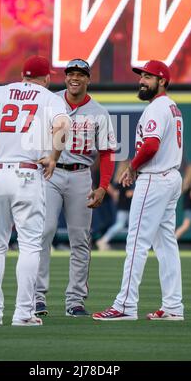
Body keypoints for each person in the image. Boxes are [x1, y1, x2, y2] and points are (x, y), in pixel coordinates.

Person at [0, 55, 70, 327]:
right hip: (27, 173)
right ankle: (23, 313)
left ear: (23, 75)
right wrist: (54, 156)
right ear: (45, 77)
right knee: (30, 246)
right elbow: (63, 125)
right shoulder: (49, 97)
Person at [93, 60, 184, 321]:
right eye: (141, 76)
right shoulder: (172, 107)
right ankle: (173, 306)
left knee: (136, 243)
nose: (142, 81)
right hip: (170, 178)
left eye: (148, 76)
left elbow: (151, 146)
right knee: (166, 245)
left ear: (162, 81)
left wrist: (131, 167)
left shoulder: (157, 107)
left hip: (155, 179)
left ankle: (125, 305)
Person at [35, 58, 116, 318]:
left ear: (88, 79)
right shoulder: (50, 101)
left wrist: (103, 186)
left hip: (81, 175)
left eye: (80, 74)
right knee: (44, 232)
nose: (75, 78)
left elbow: (106, 153)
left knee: (80, 240)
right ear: (65, 76)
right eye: (71, 73)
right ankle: (36, 297)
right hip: (50, 173)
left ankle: (75, 300)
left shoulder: (99, 112)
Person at [96, 161, 134, 251]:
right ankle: (103, 240)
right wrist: (133, 192)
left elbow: (116, 195)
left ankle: (133, 245)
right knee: (119, 225)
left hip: (127, 207)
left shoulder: (121, 180)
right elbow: (123, 194)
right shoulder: (121, 181)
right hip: (124, 207)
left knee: (133, 226)